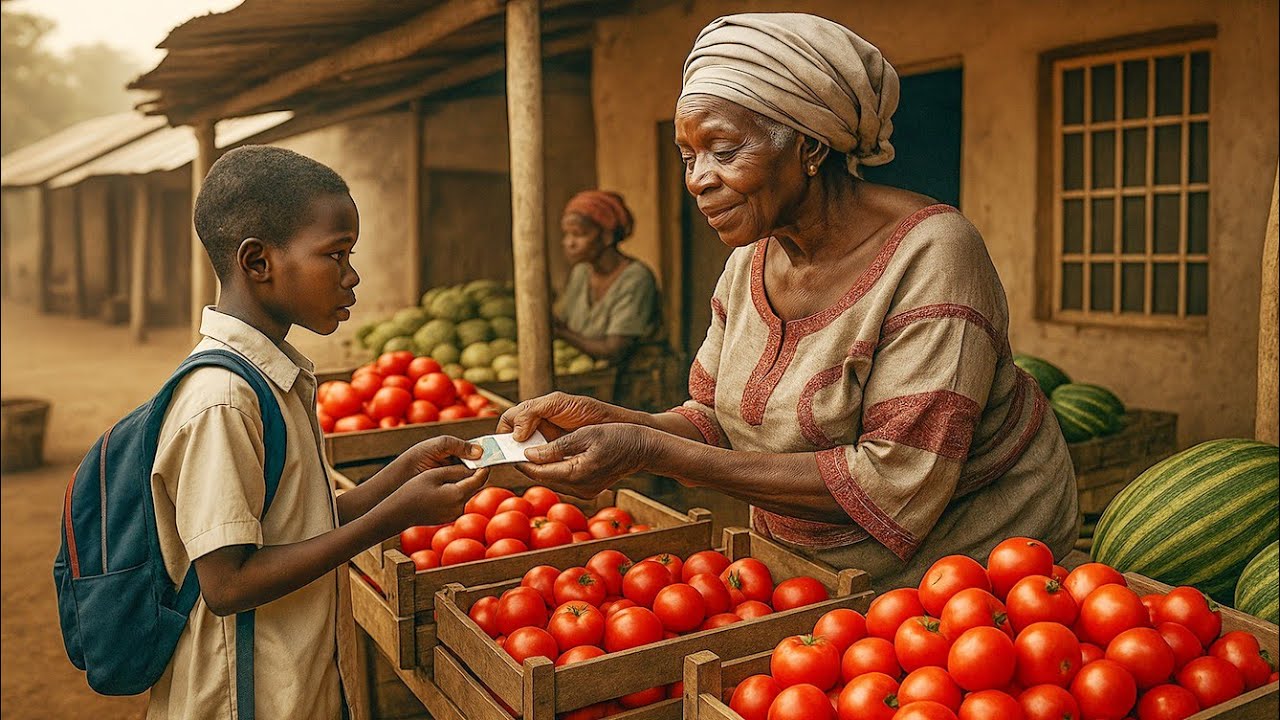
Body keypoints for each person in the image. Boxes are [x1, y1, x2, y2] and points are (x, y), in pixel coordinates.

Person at [499, 13, 1078, 589]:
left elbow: (893, 483)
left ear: (808, 145)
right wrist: (618, 423)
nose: (698, 179)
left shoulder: (933, 254)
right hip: (811, 575)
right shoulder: (746, 264)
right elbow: (713, 422)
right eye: (687, 156)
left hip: (977, 582)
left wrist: (650, 450)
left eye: (724, 151)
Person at [147, 145, 487, 719]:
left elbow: (292, 529)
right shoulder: (224, 399)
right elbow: (229, 583)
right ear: (258, 262)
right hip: (241, 700)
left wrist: (398, 475)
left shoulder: (271, 376)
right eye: (336, 254)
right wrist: (394, 516)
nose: (352, 276)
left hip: (293, 687)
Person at [554, 189, 664, 364]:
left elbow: (614, 350)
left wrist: (560, 332)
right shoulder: (581, 273)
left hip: (631, 382)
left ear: (607, 236)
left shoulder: (636, 278)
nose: (568, 242)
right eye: (566, 234)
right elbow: (564, 320)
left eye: (578, 234)